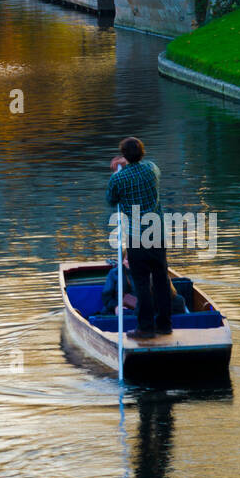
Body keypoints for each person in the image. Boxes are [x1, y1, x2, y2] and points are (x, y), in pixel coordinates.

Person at [105, 136, 172, 339]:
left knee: (141, 283)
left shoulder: (118, 178)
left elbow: (111, 199)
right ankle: (164, 325)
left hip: (136, 238)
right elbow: (143, 166)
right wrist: (129, 162)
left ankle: (145, 327)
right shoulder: (152, 169)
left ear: (124, 155)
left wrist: (120, 168)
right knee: (161, 280)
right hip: (157, 234)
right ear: (142, 153)